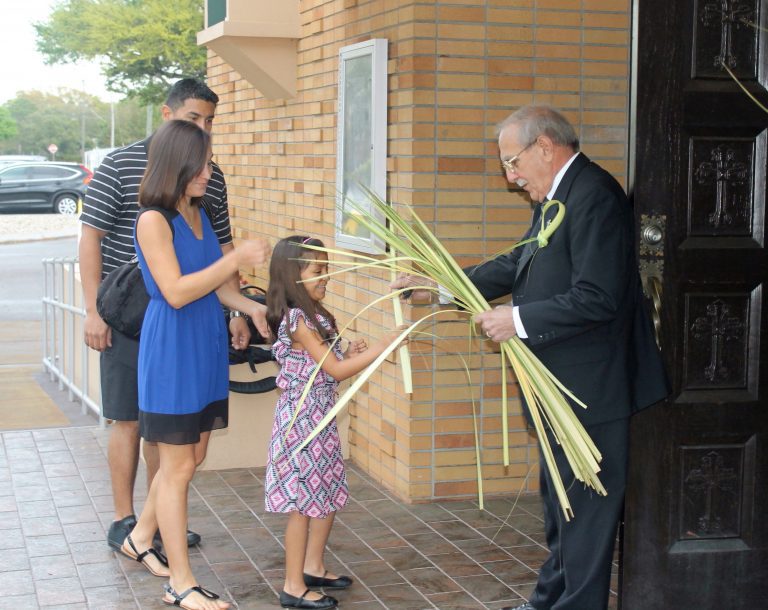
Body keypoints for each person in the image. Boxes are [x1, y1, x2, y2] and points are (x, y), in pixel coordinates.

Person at [394, 105, 668, 610]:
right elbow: (519, 261)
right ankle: (547, 600)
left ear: (545, 145)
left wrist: (515, 321)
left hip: (590, 389)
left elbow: (598, 296)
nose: (510, 176)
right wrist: (440, 287)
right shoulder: (557, 196)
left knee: (586, 510)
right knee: (559, 504)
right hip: (556, 383)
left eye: (512, 162)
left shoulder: (594, 196)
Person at [79, 78, 256, 552]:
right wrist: (93, 309)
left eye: (209, 122)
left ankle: (161, 521)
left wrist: (239, 308)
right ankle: (125, 519)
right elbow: (90, 237)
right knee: (130, 420)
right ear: (166, 114)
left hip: (190, 316)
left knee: (176, 434)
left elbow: (220, 244)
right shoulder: (119, 166)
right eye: (193, 119)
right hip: (131, 312)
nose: (202, 128)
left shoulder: (209, 176)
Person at [120, 119, 270, 609]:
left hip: (204, 346)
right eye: (203, 164)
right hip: (173, 352)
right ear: (178, 163)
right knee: (179, 466)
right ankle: (180, 583)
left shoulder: (198, 213)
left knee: (193, 458)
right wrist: (236, 258)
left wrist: (250, 308)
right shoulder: (153, 220)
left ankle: (140, 535)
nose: (210, 172)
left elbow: (217, 287)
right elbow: (177, 290)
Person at [264, 236, 406, 610]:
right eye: (317, 271)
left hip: (321, 420)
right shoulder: (296, 320)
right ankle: (293, 586)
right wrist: (383, 345)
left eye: (326, 269)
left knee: (324, 496)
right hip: (301, 424)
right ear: (293, 276)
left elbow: (332, 368)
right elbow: (335, 369)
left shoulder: (320, 317)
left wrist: (351, 351)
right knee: (301, 505)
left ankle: (313, 566)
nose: (326, 277)